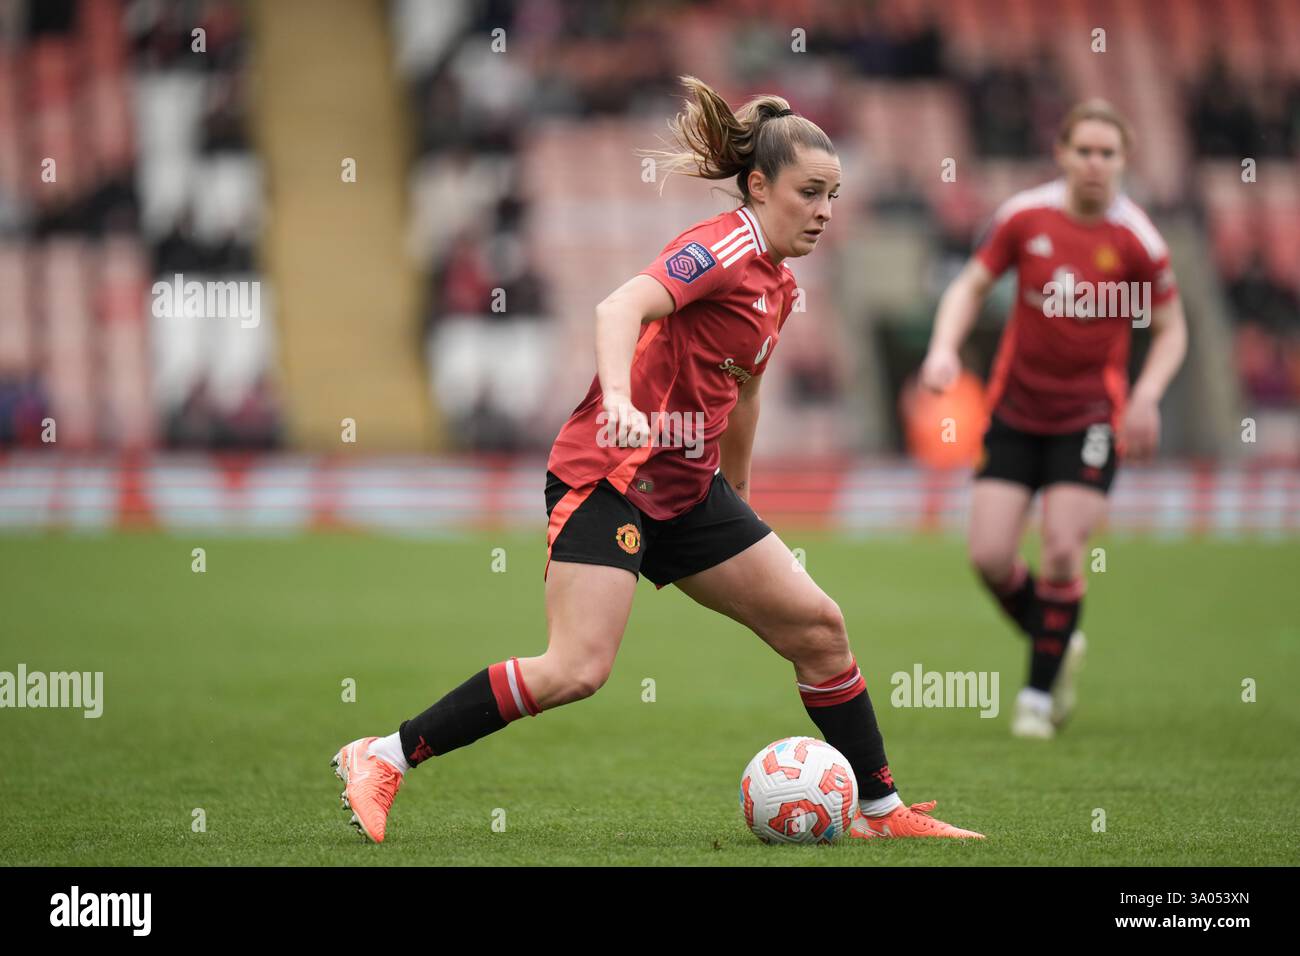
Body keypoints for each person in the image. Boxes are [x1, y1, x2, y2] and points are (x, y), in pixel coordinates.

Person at [332, 76, 983, 842]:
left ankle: (880, 811)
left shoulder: (778, 284)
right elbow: (620, 306)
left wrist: (737, 496)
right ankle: (380, 756)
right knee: (578, 668)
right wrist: (616, 396)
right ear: (760, 184)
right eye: (810, 193)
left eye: (834, 196)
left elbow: (744, 392)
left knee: (819, 628)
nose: (824, 213)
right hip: (607, 476)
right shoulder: (722, 245)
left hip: (689, 488)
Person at [920, 99, 1188, 738]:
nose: (1095, 164)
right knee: (988, 557)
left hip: (1090, 417)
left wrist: (1147, 393)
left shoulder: (1138, 241)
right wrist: (942, 348)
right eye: (1084, 151)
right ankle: (1058, 639)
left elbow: (1175, 329)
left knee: (1064, 548)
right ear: (1063, 154)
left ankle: (1037, 700)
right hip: (1015, 410)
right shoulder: (1024, 218)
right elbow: (969, 287)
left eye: (1108, 153)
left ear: (1124, 160)